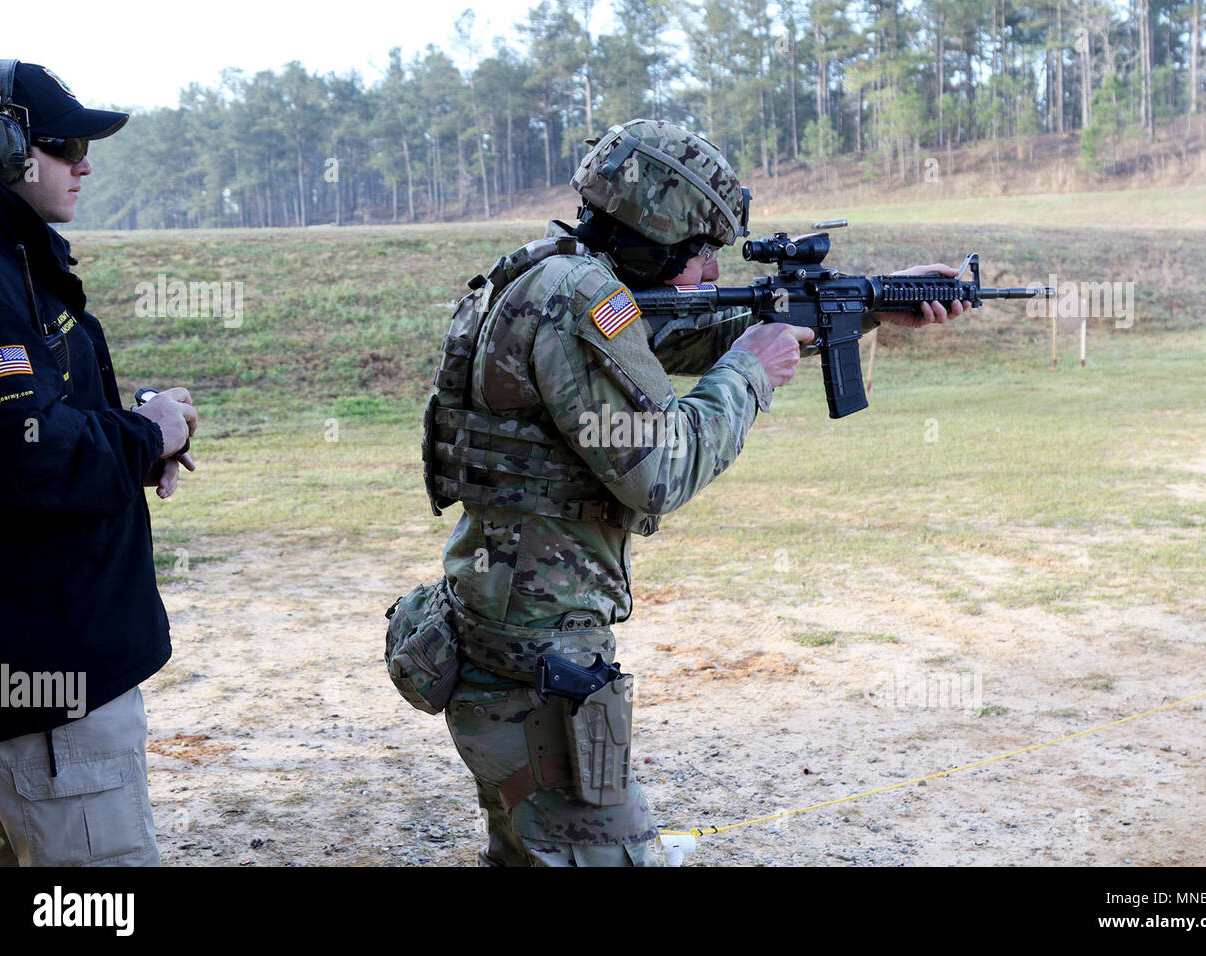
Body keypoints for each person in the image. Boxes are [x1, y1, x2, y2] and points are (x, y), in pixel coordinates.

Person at [410, 118, 966, 866]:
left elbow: (670, 339)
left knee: (527, 855)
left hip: (506, 625)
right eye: (701, 251)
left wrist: (867, 302)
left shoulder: (560, 274)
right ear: (655, 235)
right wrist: (750, 374)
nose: (709, 270)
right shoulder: (581, 302)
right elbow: (659, 471)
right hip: (536, 657)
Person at [0, 58, 197, 866]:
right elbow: (23, 455)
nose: (85, 161)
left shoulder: (13, 261)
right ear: (2, 146)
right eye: (65, 142)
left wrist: (141, 434)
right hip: (44, 684)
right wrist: (146, 434)